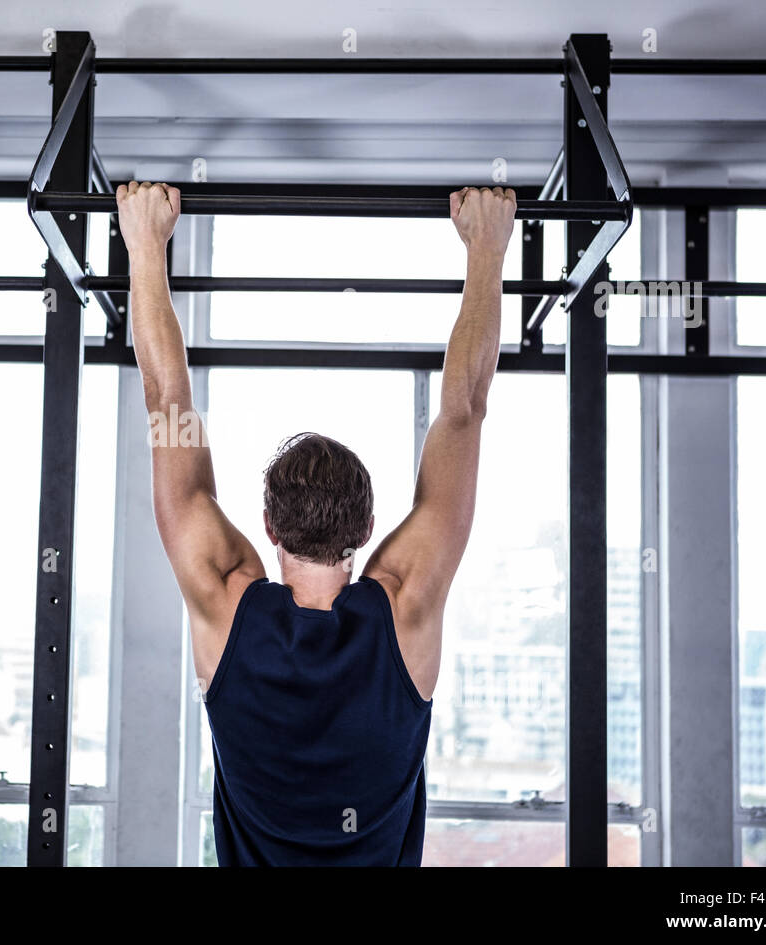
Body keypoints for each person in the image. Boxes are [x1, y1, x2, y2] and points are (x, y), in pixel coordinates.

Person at [115, 180, 517, 865]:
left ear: (266, 525)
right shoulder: (405, 609)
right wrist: (488, 248)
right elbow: (464, 408)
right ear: (367, 529)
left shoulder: (224, 599)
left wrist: (145, 245)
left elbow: (165, 395)